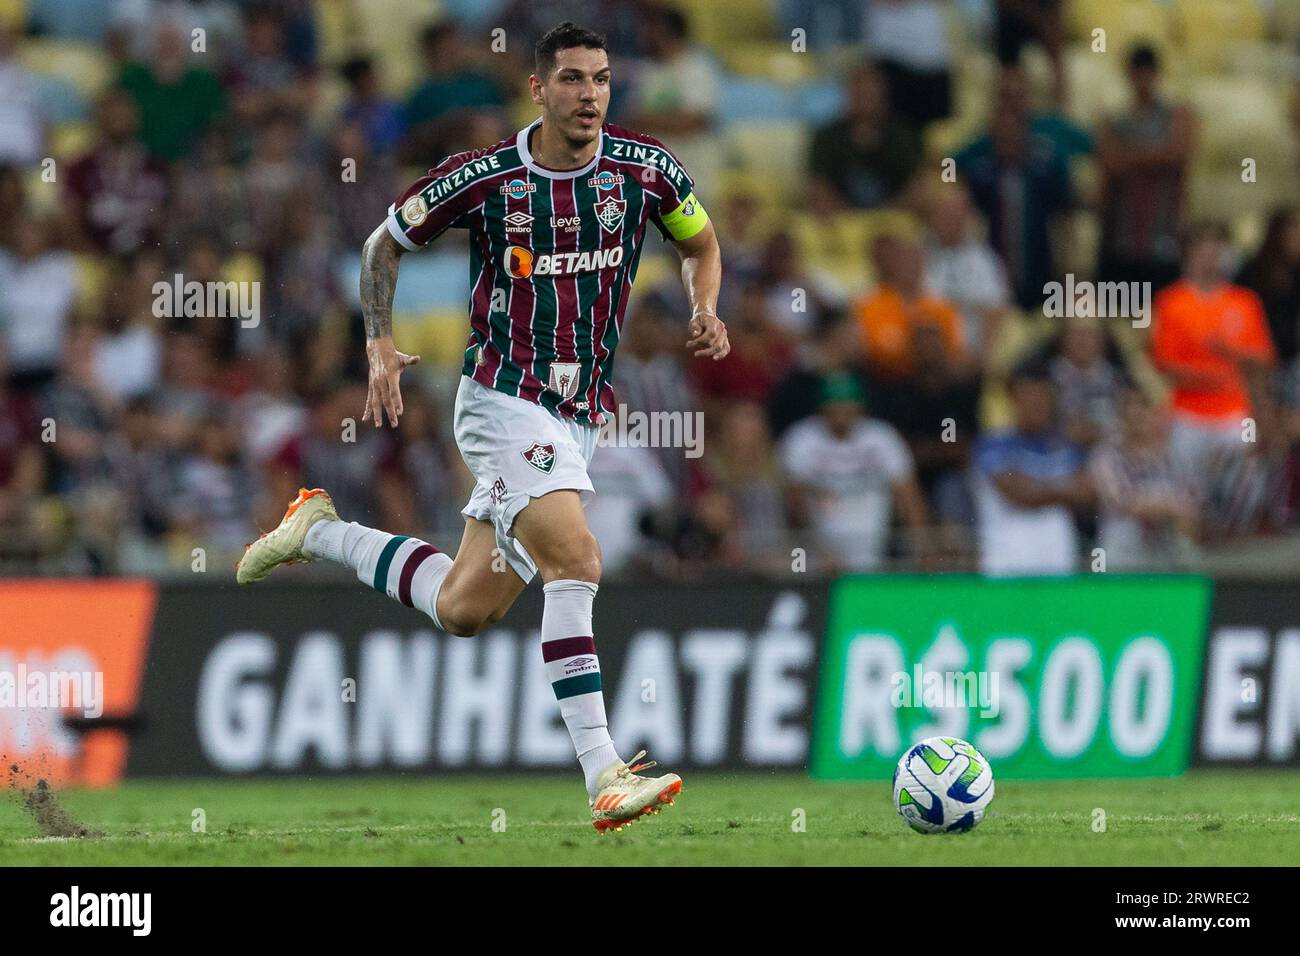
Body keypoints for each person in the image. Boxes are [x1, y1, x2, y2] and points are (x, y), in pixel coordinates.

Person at [236, 23, 728, 833]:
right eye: (571, 80)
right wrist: (378, 341)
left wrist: (705, 305)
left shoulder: (647, 169)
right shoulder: (487, 177)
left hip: (580, 416)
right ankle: (605, 771)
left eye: (600, 80)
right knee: (577, 554)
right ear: (537, 88)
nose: (589, 95)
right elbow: (379, 246)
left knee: (464, 608)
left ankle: (317, 531)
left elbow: (701, 243)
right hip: (502, 398)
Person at [780, 372, 930, 572]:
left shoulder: (882, 438)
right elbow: (794, 504)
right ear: (822, 406)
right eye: (834, 402)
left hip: (875, 553)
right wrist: (819, 549)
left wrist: (921, 546)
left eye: (847, 402)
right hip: (818, 558)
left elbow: (909, 497)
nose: (841, 409)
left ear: (860, 405)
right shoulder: (802, 439)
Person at [971, 363, 1092, 575]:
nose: (1035, 402)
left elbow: (1087, 493)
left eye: (1042, 394)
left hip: (1059, 563)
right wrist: (1064, 489)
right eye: (1027, 394)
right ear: (1012, 399)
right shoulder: (992, 444)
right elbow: (1019, 494)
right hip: (1005, 565)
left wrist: (1038, 487)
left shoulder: (1065, 446)